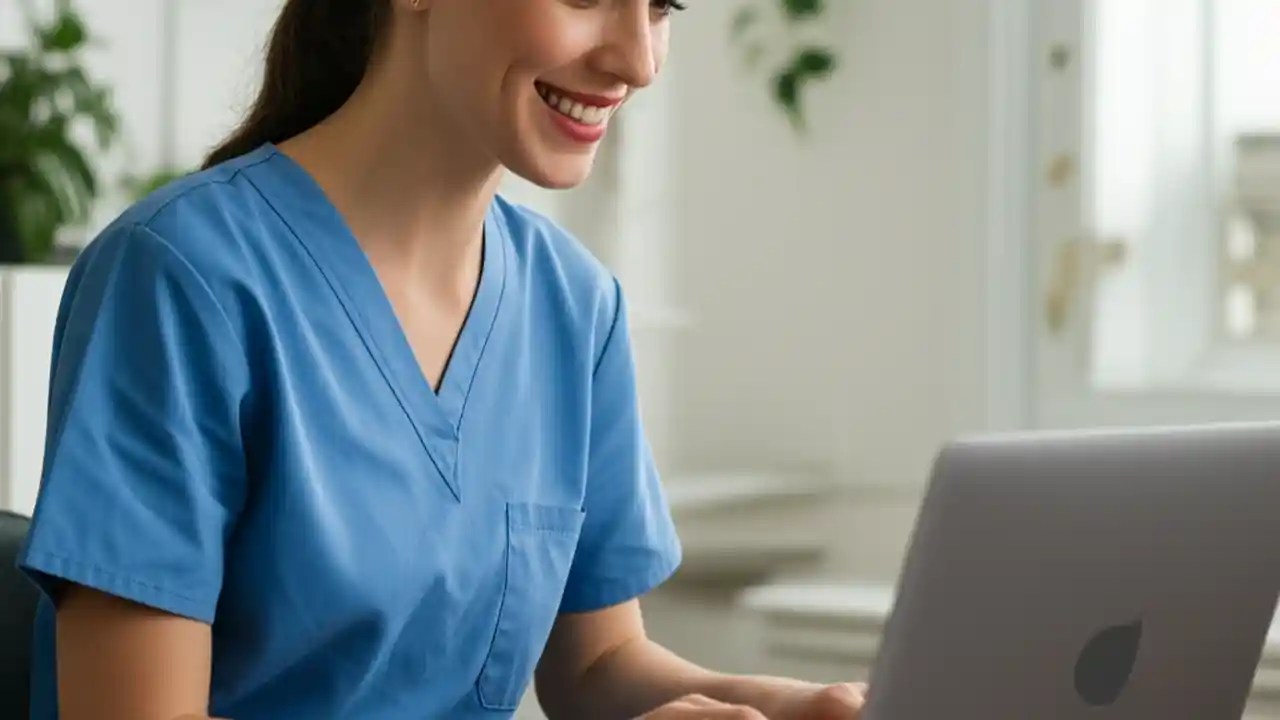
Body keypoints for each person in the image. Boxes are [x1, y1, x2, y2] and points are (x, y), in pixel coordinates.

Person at [17, 1, 867, 718]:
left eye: (662, 7)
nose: (638, 59)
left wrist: (788, 705)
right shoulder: (182, 278)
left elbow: (599, 664)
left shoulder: (574, 306)